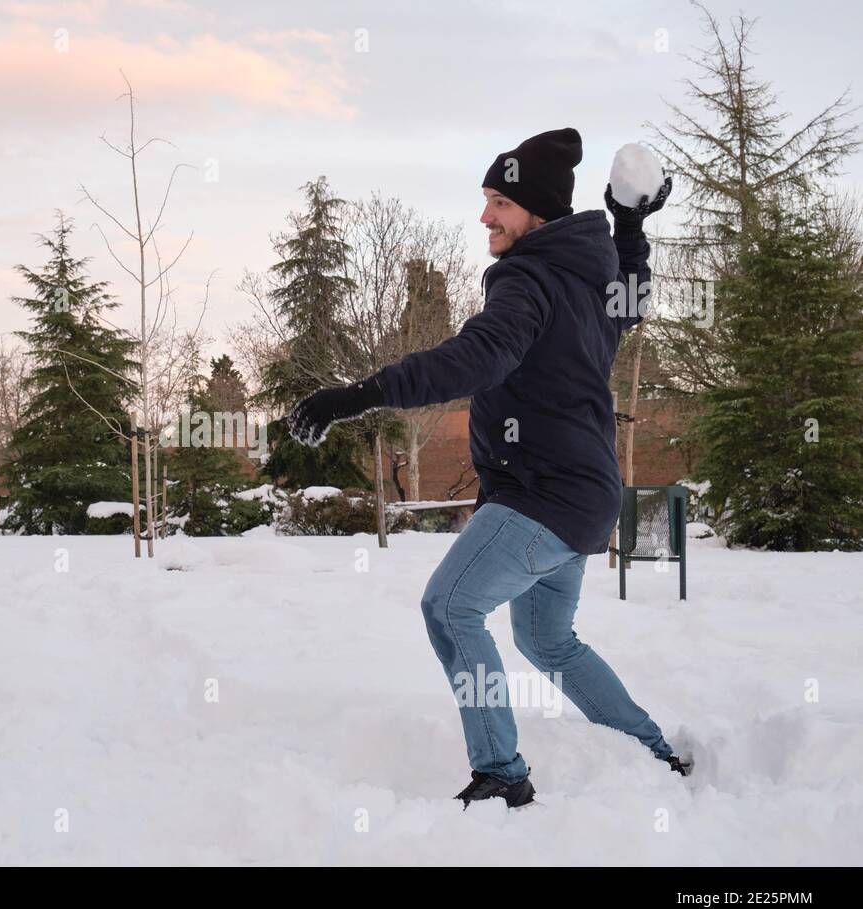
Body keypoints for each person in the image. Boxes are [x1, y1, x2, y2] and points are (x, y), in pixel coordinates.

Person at [286, 128, 691, 810]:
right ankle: (649, 750)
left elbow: (477, 357)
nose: (485, 218)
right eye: (484, 200)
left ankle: (502, 772)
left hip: (542, 496)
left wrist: (359, 394)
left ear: (536, 212)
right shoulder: (583, 282)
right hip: (582, 497)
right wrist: (629, 226)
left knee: (450, 607)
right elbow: (631, 295)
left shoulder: (527, 280)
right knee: (547, 640)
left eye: (499, 203)